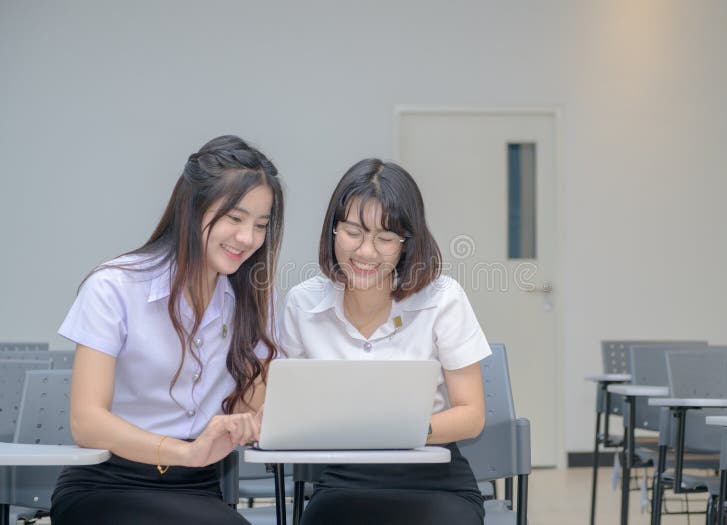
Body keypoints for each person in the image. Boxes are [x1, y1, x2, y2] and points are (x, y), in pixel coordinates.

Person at [50, 135, 284, 525]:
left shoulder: (255, 299)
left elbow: (250, 408)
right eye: (235, 218)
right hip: (107, 485)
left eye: (260, 224)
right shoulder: (114, 286)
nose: (248, 239)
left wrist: (252, 417)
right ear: (192, 210)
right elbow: (86, 422)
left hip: (197, 489)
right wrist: (184, 453)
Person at [279, 158, 490, 525]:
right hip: (344, 481)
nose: (366, 252)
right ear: (333, 230)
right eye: (354, 232)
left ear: (407, 244)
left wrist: (396, 428)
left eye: (385, 238)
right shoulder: (303, 303)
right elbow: (284, 406)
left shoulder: (443, 298)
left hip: (435, 480)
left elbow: (472, 415)